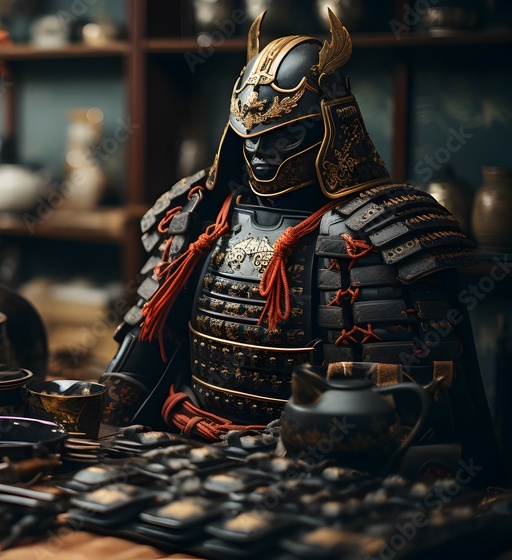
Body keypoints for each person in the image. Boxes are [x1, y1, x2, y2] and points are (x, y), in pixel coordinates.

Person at [105, 10, 505, 485]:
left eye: (285, 134)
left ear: (336, 127)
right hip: (179, 448)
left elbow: (397, 413)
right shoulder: (201, 213)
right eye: (249, 135)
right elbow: (143, 351)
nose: (259, 152)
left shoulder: (376, 232)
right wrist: (99, 418)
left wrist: (294, 443)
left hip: (305, 472)